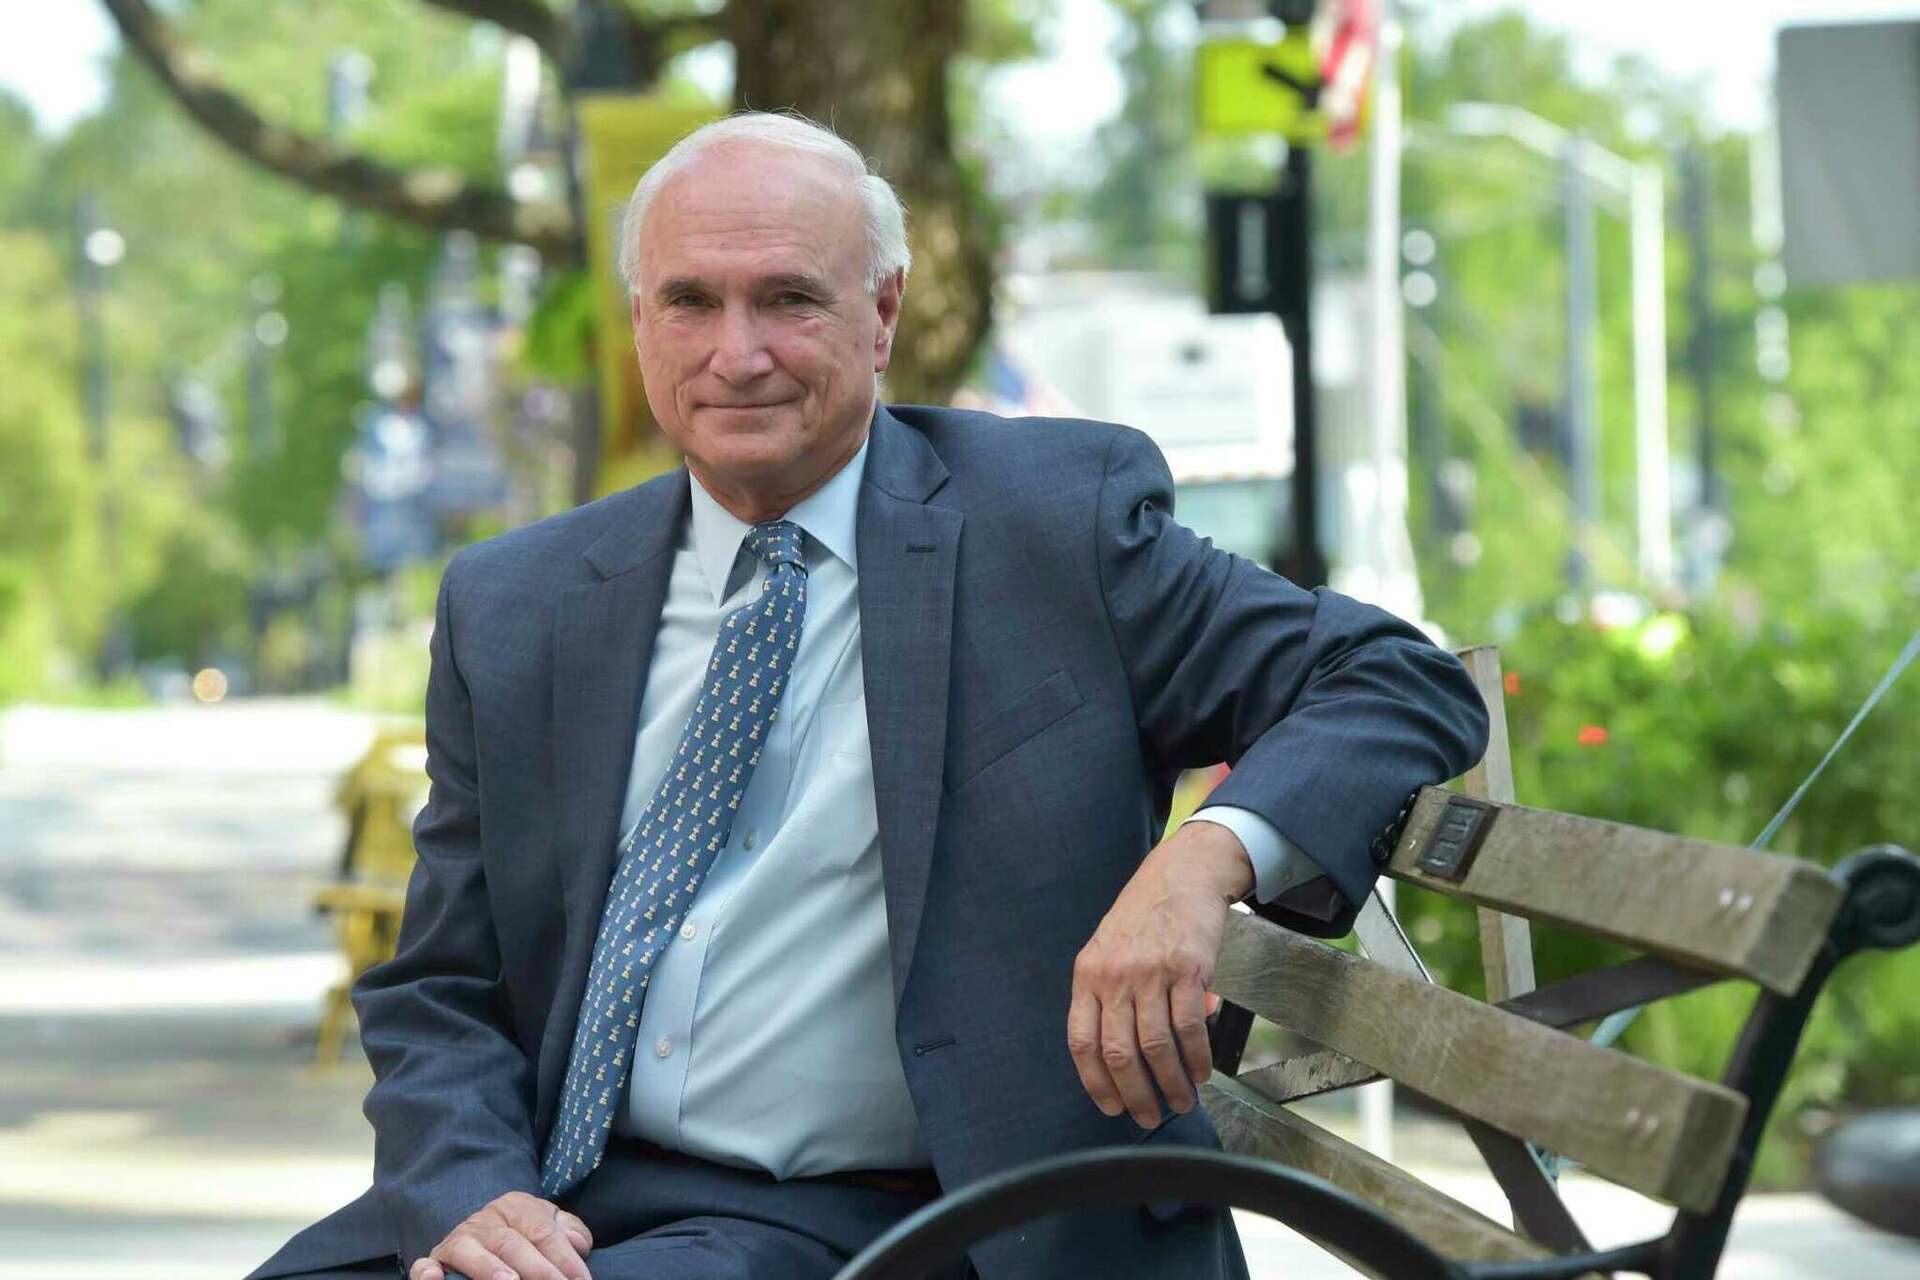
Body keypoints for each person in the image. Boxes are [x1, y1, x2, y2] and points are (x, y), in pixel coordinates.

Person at [250, 111, 1488, 1280]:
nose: (737, 354)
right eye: (691, 301)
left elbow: (1394, 678)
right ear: (639, 320)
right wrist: (474, 1189)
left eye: (789, 298)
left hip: (911, 1215)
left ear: (882, 312)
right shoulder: (519, 604)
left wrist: (1199, 863)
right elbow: (441, 984)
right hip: (563, 1196)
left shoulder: (1054, 530)